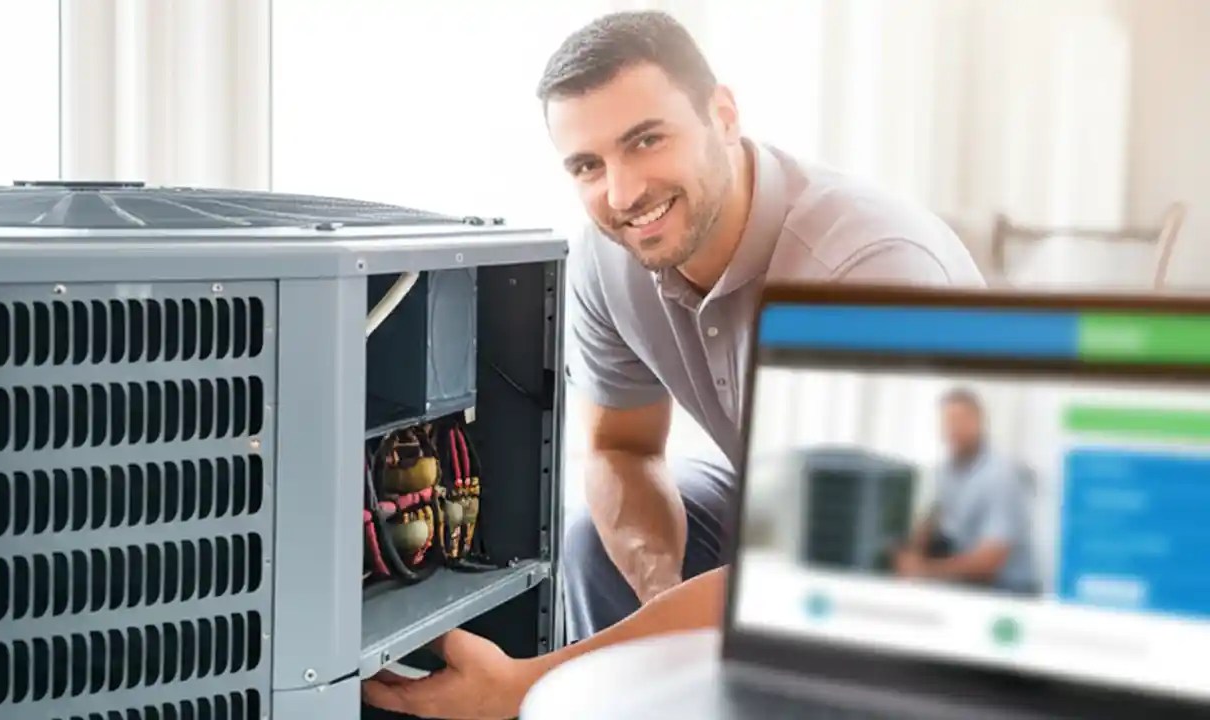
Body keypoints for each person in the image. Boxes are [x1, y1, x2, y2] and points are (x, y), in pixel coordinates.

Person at [363, 10, 985, 718]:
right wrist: (658, 610)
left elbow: (824, 576)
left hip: (940, 573)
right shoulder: (611, 257)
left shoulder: (867, 271)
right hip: (794, 513)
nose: (623, 195)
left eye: (646, 140)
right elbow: (620, 446)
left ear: (723, 115)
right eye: (588, 166)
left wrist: (528, 686)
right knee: (595, 536)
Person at [894, 388, 1039, 595]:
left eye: (960, 420)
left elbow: (989, 562)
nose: (953, 429)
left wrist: (924, 570)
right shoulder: (946, 470)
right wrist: (911, 552)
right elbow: (934, 517)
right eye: (947, 422)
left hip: (1008, 589)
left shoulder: (1001, 475)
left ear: (979, 423)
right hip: (972, 583)